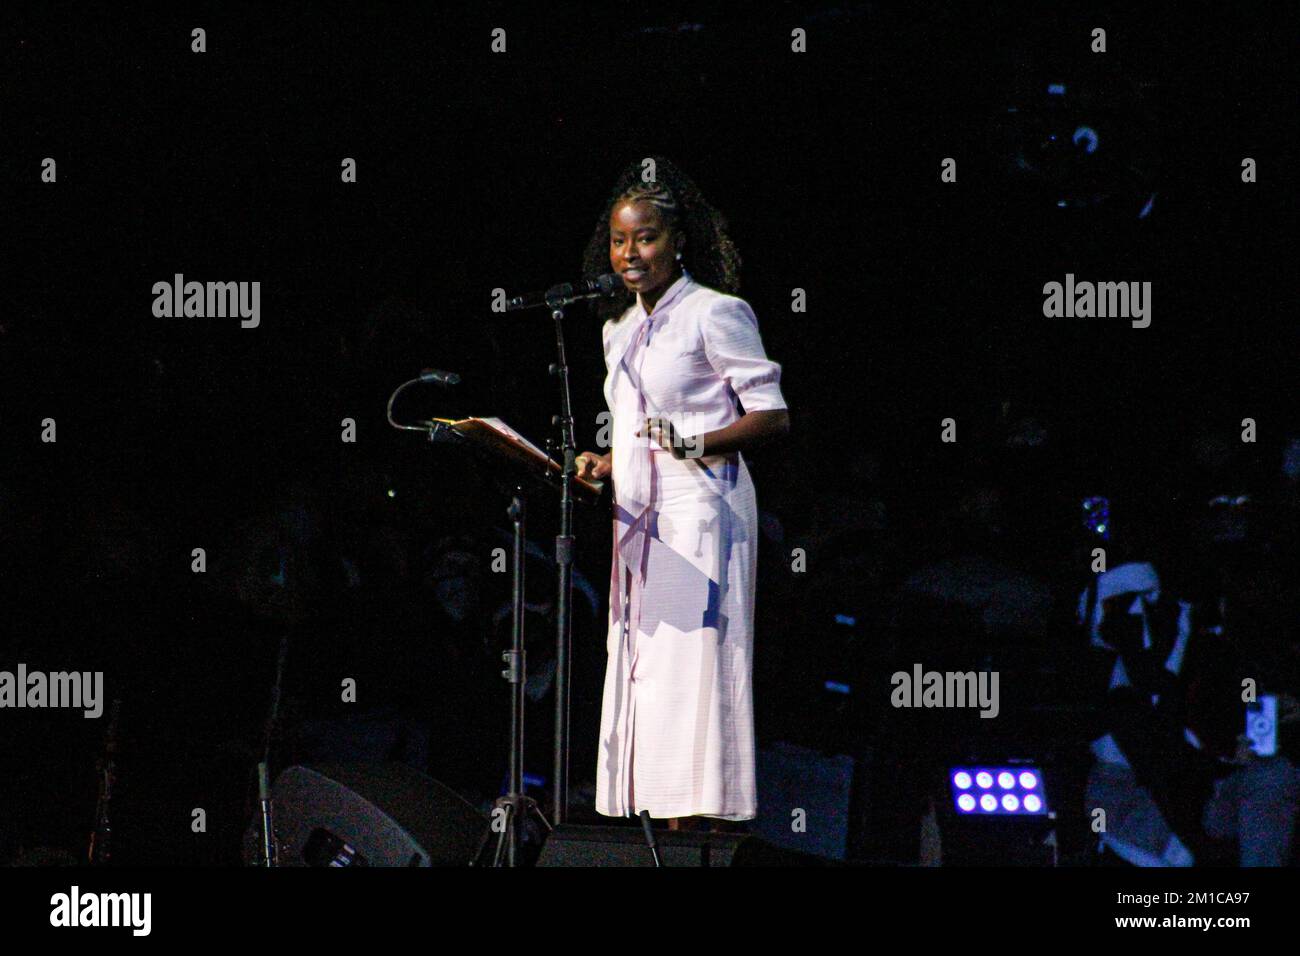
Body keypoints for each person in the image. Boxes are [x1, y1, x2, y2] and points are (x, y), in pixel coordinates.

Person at [575, 157, 790, 831]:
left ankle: (695, 831)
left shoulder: (715, 313)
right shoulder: (617, 330)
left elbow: (773, 414)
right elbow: (640, 425)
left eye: (643, 238)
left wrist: (699, 442)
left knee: (692, 672)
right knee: (646, 672)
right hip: (637, 517)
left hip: (702, 515)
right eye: (618, 240)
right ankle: (653, 832)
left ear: (676, 241)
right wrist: (608, 461)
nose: (628, 253)